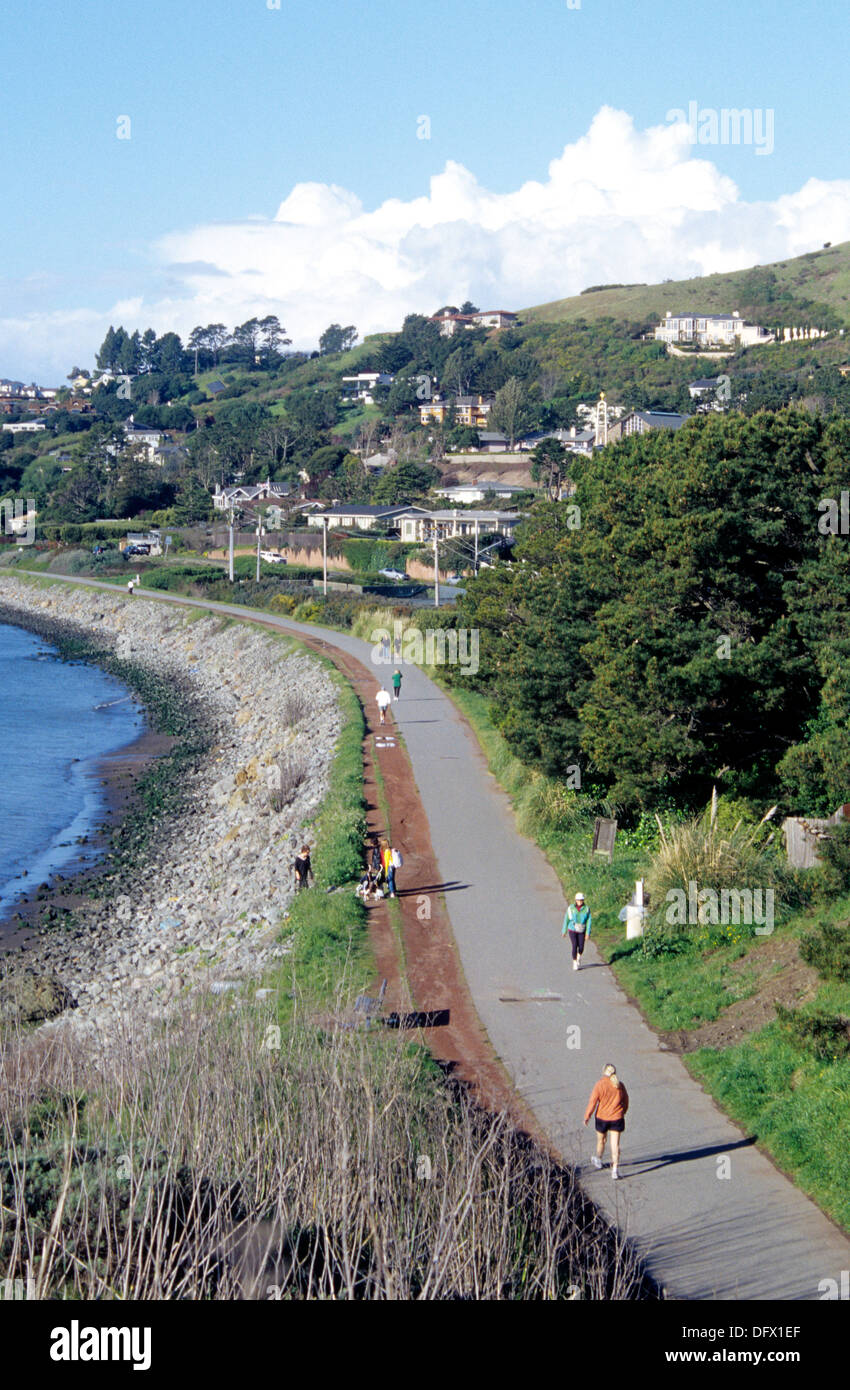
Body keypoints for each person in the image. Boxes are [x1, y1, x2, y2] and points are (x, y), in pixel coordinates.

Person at [584, 1063, 629, 1180]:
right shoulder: (620, 1085)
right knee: (615, 1145)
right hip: (617, 1118)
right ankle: (615, 1169)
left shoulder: (599, 1085)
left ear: (604, 1072)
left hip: (602, 1118)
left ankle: (598, 1159)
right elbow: (626, 1101)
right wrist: (622, 1112)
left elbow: (593, 1102)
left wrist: (587, 1116)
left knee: (601, 1140)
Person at [562, 891, 591, 970]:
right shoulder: (571, 908)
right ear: (575, 900)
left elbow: (589, 921)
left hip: (581, 930)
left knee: (581, 947)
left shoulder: (587, 909)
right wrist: (564, 931)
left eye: (581, 900)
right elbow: (566, 919)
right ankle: (574, 962)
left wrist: (588, 933)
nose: (580, 902)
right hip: (572, 929)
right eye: (578, 900)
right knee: (574, 945)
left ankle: (579, 956)